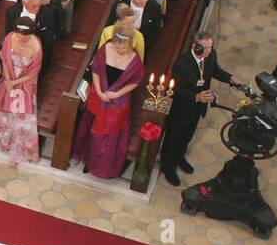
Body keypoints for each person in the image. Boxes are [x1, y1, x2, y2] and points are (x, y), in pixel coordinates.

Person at [161, 32, 238, 186]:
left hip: (198, 107)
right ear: (195, 47)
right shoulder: (182, 64)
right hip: (181, 108)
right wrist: (196, 97)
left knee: (187, 135)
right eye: (206, 48)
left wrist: (230, 79)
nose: (209, 51)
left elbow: (215, 71)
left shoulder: (211, 55)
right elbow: (177, 90)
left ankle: (179, 157)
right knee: (172, 137)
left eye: (211, 46)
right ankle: (167, 166)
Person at [71, 30, 144, 178]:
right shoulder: (106, 48)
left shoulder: (135, 59)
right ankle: (84, 157)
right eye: (118, 47)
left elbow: (135, 82)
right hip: (99, 95)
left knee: (107, 135)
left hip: (118, 100)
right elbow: (96, 70)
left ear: (130, 45)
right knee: (90, 128)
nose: (121, 50)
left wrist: (117, 93)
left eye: (124, 48)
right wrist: (98, 91)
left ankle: (99, 166)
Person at [0, 19, 43, 166]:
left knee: (21, 114)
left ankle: (19, 147)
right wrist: (8, 80)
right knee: (5, 107)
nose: (20, 39)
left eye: (24, 37)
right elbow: (5, 60)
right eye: (18, 35)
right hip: (9, 75)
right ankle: (5, 139)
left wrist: (15, 83)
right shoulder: (10, 37)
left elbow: (33, 72)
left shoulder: (37, 45)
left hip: (26, 81)